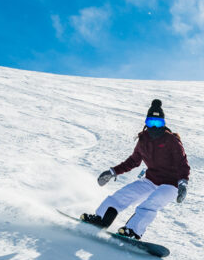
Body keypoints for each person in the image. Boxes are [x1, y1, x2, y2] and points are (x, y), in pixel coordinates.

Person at [80, 99, 190, 240]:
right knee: (120, 196)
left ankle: (133, 231)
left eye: (158, 123)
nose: (154, 127)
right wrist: (112, 172)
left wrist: (183, 183)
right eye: (151, 123)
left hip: (171, 184)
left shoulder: (171, 140)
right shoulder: (143, 140)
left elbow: (182, 163)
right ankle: (100, 219)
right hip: (150, 180)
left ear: (164, 124)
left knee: (150, 203)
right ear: (146, 123)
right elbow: (133, 161)